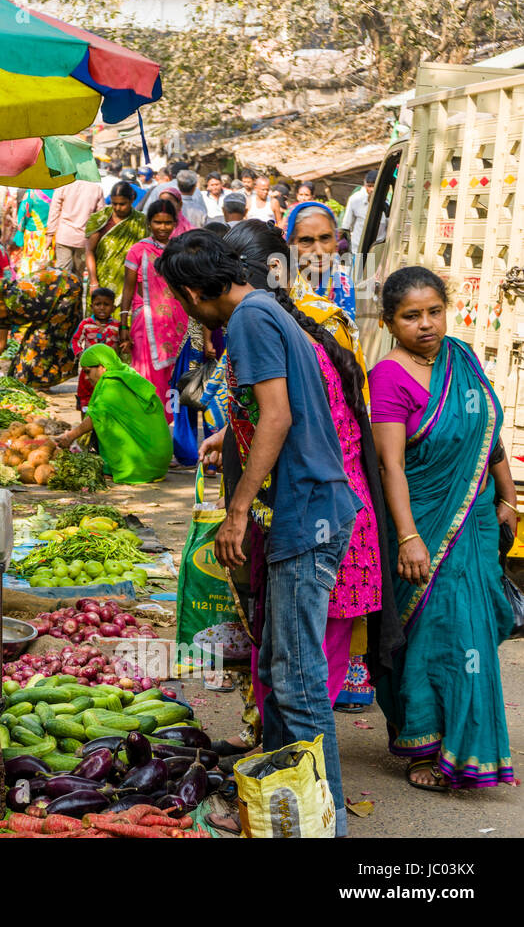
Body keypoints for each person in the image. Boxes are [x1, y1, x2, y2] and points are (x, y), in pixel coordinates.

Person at [156, 227, 362, 837]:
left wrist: (238, 509)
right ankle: (280, 807)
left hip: (305, 511)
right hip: (314, 503)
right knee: (278, 670)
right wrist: (230, 436)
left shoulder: (247, 321)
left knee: (298, 683)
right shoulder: (270, 307)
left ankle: (326, 825)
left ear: (192, 294)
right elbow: (283, 408)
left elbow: (278, 413)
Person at [369, 266, 517, 791]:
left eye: (434, 311)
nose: (427, 324)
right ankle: (422, 745)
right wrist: (408, 537)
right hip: (424, 524)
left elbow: (488, 432)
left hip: (474, 523)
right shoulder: (388, 376)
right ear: (390, 322)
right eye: (411, 316)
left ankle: (466, 741)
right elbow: (391, 466)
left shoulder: (461, 357)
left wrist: (507, 493)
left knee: (469, 631)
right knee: (430, 633)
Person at [54, 344, 172, 484]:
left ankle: (117, 469)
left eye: (87, 371)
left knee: (102, 422)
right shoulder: (127, 374)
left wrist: (69, 437)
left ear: (102, 367)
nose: (86, 377)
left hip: (143, 467)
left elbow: (97, 416)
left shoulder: (112, 384)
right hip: (159, 463)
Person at [119, 200, 187, 421]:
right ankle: (147, 422)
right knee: (146, 376)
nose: (163, 227)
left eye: (168, 223)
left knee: (174, 377)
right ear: (149, 223)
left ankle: (171, 428)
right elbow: (128, 289)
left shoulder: (180, 249)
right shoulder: (138, 250)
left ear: (175, 223)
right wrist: (123, 324)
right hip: (146, 321)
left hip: (177, 322)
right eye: (158, 222)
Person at [0, 266, 83, 389]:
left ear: (3, 305)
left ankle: (43, 381)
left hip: (67, 288)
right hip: (46, 300)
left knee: (45, 339)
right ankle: (38, 381)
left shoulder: (17, 300)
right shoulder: (1, 310)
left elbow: (41, 333)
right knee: (24, 360)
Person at [285, 201, 356, 319]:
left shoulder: (343, 286)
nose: (318, 251)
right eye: (306, 240)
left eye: (325, 238)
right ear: (291, 245)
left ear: (336, 242)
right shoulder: (281, 285)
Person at [85, 182, 149, 305]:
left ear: (132, 200)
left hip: (129, 282)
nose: (118, 208)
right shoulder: (100, 219)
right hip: (101, 278)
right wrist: (93, 281)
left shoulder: (141, 221)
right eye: (114, 203)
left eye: (122, 204)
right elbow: (90, 251)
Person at [70, 287, 121, 412]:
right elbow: (75, 341)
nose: (102, 308)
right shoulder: (86, 324)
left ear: (113, 308)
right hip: (89, 370)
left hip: (109, 371)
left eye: (106, 304)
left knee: (108, 399)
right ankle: (85, 427)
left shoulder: (117, 326)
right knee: (86, 400)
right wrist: (80, 354)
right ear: (91, 306)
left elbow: (123, 343)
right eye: (98, 304)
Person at [46, 178, 106, 280]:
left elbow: (54, 211)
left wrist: (50, 234)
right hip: (84, 239)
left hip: (64, 236)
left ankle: (62, 294)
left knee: (62, 273)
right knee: (78, 275)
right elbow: (101, 216)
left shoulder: (63, 185)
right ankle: (76, 294)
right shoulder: (96, 189)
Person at [13, 188, 54, 278]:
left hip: (33, 236)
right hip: (50, 236)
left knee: (30, 265)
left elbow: (23, 213)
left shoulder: (31, 192)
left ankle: (28, 287)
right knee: (46, 264)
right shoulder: (56, 192)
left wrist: (20, 231)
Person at [341, 170, 377, 254]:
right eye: (369, 186)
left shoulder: (386, 200)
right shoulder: (355, 199)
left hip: (377, 251)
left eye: (374, 186)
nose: (371, 189)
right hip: (358, 250)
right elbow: (346, 226)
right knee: (359, 266)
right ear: (365, 185)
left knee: (371, 266)